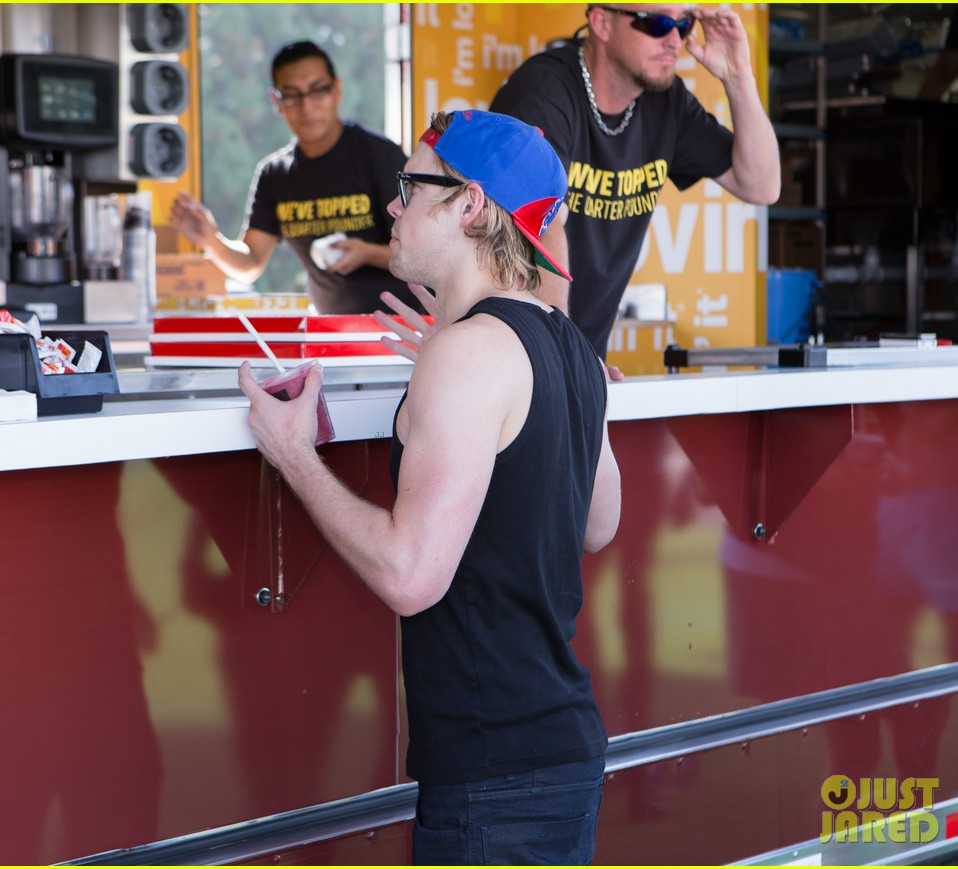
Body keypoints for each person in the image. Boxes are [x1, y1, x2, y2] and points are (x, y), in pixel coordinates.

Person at [238, 109, 622, 865]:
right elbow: (598, 523)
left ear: (470, 204)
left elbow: (411, 574)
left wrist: (295, 456)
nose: (392, 206)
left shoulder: (471, 355)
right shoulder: (566, 345)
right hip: (562, 752)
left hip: (494, 777)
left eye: (411, 186)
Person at [477, 4, 781, 362]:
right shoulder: (545, 89)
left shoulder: (667, 102)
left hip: (571, 355)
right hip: (506, 352)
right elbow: (541, 220)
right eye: (657, 24)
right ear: (602, 23)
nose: (674, 41)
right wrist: (564, 359)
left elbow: (761, 185)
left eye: (684, 26)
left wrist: (738, 76)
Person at [170, 40, 420, 314]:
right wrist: (211, 240)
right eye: (292, 95)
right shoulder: (275, 174)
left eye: (318, 90)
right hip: (331, 335)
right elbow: (251, 263)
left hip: (405, 328)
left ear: (337, 90)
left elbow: (421, 253)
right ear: (277, 102)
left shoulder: (378, 154)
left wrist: (366, 252)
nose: (307, 106)